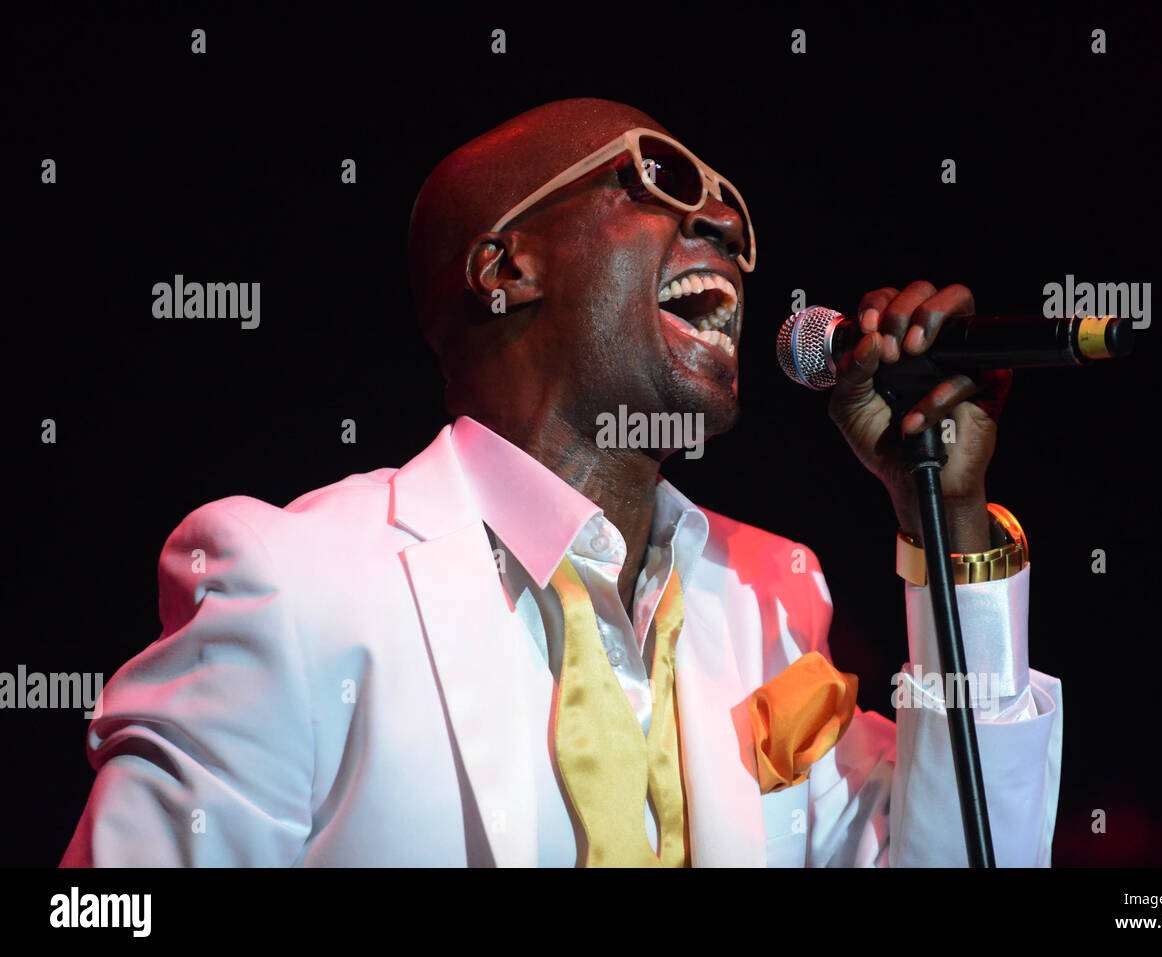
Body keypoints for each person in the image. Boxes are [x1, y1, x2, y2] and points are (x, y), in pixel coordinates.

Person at [61, 98, 1060, 867]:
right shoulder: (300, 586)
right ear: (505, 266)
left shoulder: (768, 597)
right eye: (658, 179)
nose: (718, 218)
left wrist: (951, 523)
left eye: (732, 214)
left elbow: (970, 854)